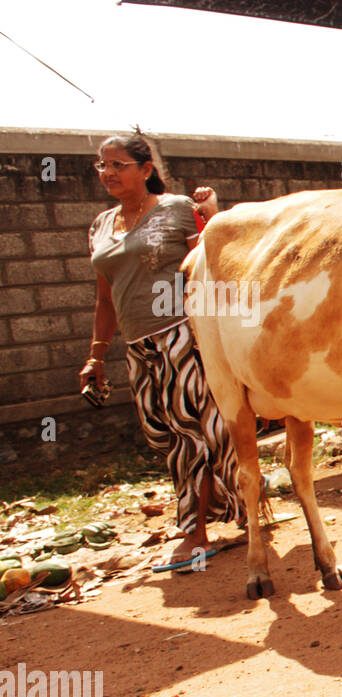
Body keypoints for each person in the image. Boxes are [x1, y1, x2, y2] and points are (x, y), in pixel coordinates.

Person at [81, 133, 241, 572]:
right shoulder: (101, 225)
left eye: (118, 165)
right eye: (102, 165)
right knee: (165, 435)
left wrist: (211, 217)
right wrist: (96, 355)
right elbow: (105, 298)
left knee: (189, 432)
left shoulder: (174, 209)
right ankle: (240, 502)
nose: (107, 173)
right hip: (138, 347)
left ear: (145, 169)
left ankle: (195, 535)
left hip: (182, 335)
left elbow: (210, 266)